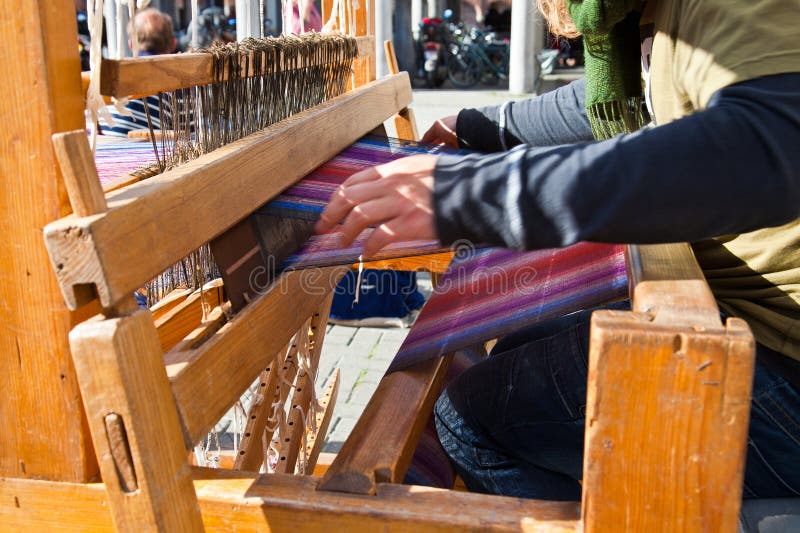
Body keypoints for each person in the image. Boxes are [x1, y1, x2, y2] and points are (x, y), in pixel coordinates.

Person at [315, 0, 800, 500]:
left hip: (783, 368)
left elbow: (768, 145)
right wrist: (482, 127)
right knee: (512, 348)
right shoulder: (665, 19)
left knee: (468, 420)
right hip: (739, 322)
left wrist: (477, 193)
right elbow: (632, 97)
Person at [100, 8, 177, 137]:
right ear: (173, 44)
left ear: (131, 44)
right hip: (150, 154)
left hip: (105, 150)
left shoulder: (111, 77)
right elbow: (189, 137)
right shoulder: (178, 81)